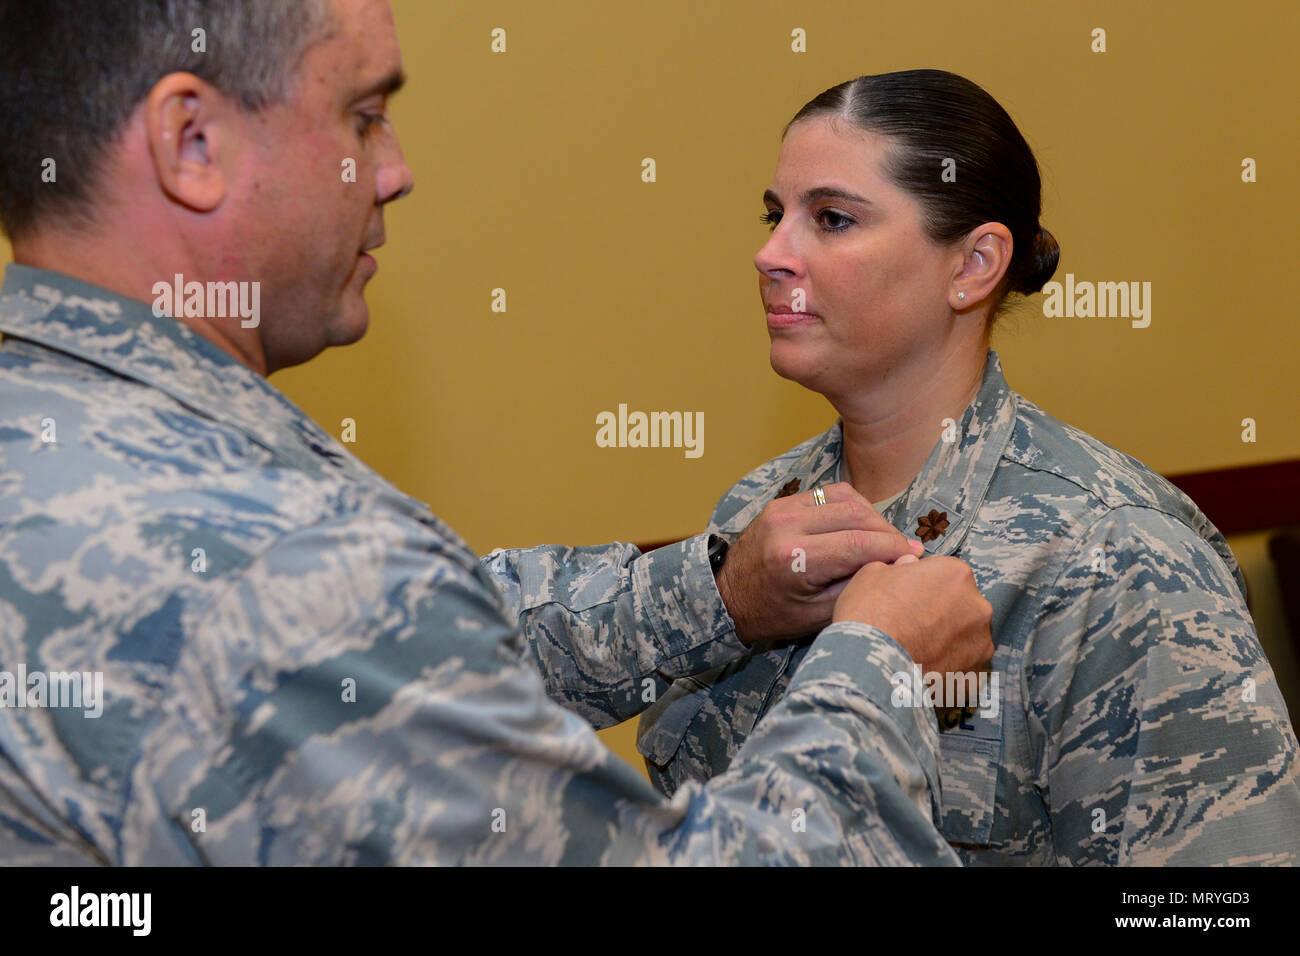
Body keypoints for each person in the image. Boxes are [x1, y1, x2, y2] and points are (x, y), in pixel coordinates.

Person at [0, 1, 994, 865]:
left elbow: (416, 659)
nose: (395, 172)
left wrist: (715, 594)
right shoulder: (277, 556)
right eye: (364, 116)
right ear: (193, 144)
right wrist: (884, 674)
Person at [637, 68, 1300, 866]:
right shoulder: (760, 516)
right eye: (776, 216)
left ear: (974, 265)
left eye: (833, 219)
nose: (770, 253)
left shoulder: (1116, 554)